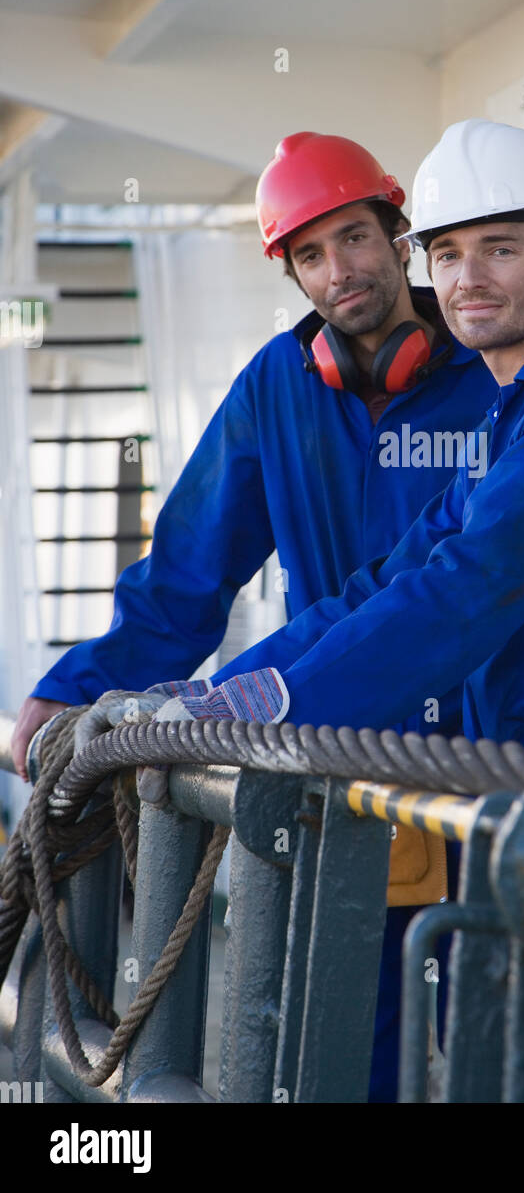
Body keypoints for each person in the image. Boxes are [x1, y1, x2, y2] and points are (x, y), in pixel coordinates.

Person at [162, 118, 524, 1101]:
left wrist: (285, 708)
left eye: (499, 249)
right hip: (517, 817)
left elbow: (472, 585)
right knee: (509, 1067)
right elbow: (392, 574)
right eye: (446, 253)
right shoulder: (516, 416)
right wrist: (229, 689)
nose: (468, 277)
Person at [11, 130, 498, 1101]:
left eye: (354, 238)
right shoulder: (272, 393)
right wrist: (66, 691)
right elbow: (184, 580)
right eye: (308, 255)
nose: (338, 271)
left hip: (492, 755)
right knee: (341, 1038)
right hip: (339, 761)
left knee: (498, 1036)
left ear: (398, 234)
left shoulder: (492, 370)